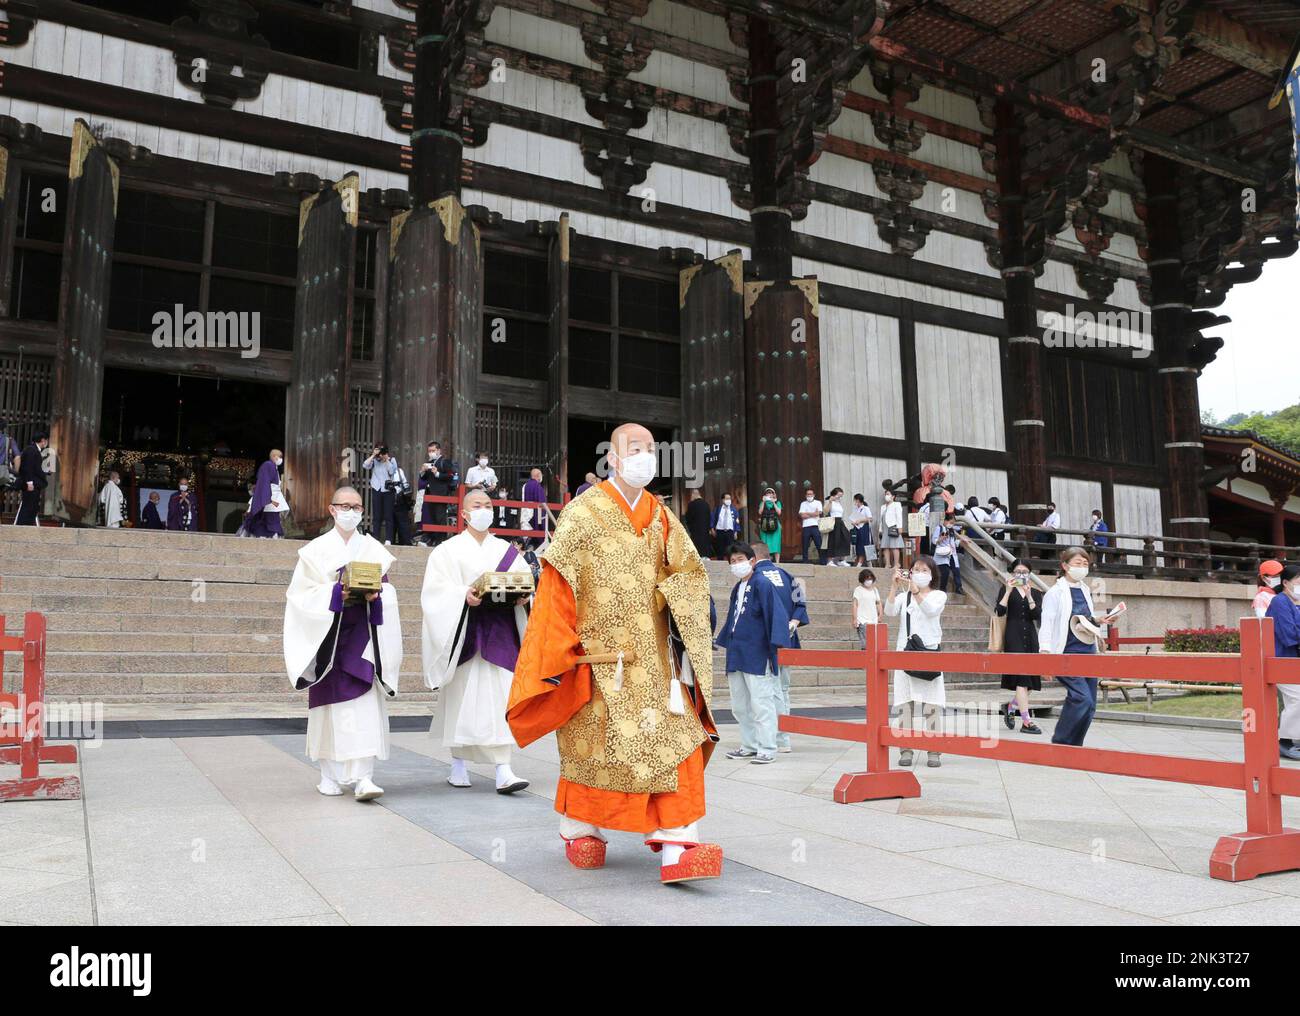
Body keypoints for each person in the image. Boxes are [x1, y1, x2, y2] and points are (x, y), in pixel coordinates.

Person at [508, 422, 722, 884]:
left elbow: (689, 573)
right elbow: (557, 588)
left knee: (677, 744)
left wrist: (679, 601)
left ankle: (679, 843)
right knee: (594, 751)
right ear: (614, 458)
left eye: (651, 448)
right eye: (635, 448)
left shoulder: (662, 516)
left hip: (656, 661)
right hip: (601, 662)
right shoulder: (581, 514)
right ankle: (580, 828)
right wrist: (558, 657)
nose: (646, 456)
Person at [283, 485, 403, 800]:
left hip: (363, 637)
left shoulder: (374, 549)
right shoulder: (315, 551)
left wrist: (377, 595)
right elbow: (300, 597)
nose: (350, 512)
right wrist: (336, 592)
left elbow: (389, 592)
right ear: (332, 509)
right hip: (328, 640)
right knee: (329, 710)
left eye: (356, 507)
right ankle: (330, 775)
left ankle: (363, 777)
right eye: (344, 506)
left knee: (364, 708)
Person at [421, 488, 530, 794]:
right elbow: (435, 592)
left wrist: (524, 597)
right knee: (462, 699)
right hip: (465, 634)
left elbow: (525, 583)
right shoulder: (446, 551)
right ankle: (458, 764)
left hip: (500, 632)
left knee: (501, 700)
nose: (483, 510)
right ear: (464, 513)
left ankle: (503, 769)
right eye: (477, 505)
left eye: (488, 505)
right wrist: (461, 595)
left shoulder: (507, 551)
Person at [715, 543, 792, 765]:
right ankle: (749, 745)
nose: (736, 564)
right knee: (740, 705)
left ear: (752, 561)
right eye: (732, 561)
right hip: (737, 651)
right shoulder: (737, 588)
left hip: (757, 652)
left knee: (762, 702)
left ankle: (767, 747)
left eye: (740, 559)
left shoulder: (763, 583)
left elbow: (774, 614)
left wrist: (775, 646)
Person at [1041, 547, 1107, 747]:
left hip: (1088, 651)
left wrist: (1098, 620)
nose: (1082, 567)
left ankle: (1075, 745)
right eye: (1078, 563)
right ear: (1065, 566)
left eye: (1085, 564)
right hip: (1066, 652)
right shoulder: (1055, 593)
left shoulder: (1086, 590)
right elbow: (1047, 623)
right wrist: (1045, 655)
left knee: (1091, 706)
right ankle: (1061, 741)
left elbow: (1084, 620)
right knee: (1081, 699)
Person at [885, 556, 947, 767]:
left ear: (931, 574)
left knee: (933, 704)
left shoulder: (939, 595)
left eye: (924, 569)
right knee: (905, 704)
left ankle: (934, 751)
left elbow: (931, 610)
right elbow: (889, 611)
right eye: (915, 569)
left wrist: (916, 592)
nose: (919, 573)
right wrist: (894, 587)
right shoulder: (905, 597)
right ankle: (906, 750)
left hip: (929, 652)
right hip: (905, 652)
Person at [750, 542, 805, 755]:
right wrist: (793, 622)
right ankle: (784, 737)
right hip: (789, 638)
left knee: (770, 691)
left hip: (766, 641)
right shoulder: (788, 576)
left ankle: (777, 737)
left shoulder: (756, 579)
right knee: (783, 689)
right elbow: (801, 605)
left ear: (753, 558)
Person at [996, 559, 1044, 735]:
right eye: (1018, 571)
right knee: (1022, 679)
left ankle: (1010, 706)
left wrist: (1030, 595)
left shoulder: (1036, 592)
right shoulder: (1005, 589)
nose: (1021, 575)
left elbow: (1037, 615)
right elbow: (999, 611)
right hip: (1013, 636)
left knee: (1031, 682)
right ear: (1012, 573)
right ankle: (1026, 721)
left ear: (1029, 574)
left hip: (1031, 637)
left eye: (1024, 572)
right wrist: (1008, 591)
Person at [1266, 565, 1300, 761]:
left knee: (1295, 700)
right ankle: (1284, 742)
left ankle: (1291, 740)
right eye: (1298, 580)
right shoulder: (1279, 602)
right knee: (1297, 700)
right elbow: (1288, 635)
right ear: (1286, 583)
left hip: (1292, 660)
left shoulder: (1295, 602)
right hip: (1280, 659)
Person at [363, 445, 400, 545]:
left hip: (388, 490)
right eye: (379, 452)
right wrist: (373, 455)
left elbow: (392, 471)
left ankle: (388, 538)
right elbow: (365, 465)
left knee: (388, 515)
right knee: (376, 515)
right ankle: (376, 537)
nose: (380, 454)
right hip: (376, 488)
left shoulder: (392, 460)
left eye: (381, 452)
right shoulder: (374, 460)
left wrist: (386, 459)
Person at [245, 450, 286, 539]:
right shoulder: (268, 465)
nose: (281, 459)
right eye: (280, 456)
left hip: (273, 496)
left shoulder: (274, 467)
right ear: (274, 456)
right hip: (269, 496)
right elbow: (265, 482)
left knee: (271, 519)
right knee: (268, 519)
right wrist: (266, 498)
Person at [13, 431, 48, 526]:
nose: (46, 443)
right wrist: (29, 483)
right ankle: (22, 528)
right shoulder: (31, 450)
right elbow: (28, 468)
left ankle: (25, 527)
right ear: (43, 440)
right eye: (46, 440)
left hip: (33, 484)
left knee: (32, 507)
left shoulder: (33, 450)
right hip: (31, 484)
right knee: (28, 507)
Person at [520, 467, 549, 548]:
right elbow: (541, 502)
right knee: (535, 531)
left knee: (526, 530)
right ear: (538, 475)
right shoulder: (537, 486)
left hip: (525, 512)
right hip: (534, 514)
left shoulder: (525, 485)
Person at [852, 568, 881, 650]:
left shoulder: (875, 590)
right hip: (862, 620)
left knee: (874, 643)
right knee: (866, 644)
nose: (869, 580)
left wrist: (880, 615)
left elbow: (878, 603)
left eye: (870, 578)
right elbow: (855, 604)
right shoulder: (858, 590)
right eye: (867, 578)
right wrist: (855, 619)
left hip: (873, 620)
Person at [934, 515, 963, 594]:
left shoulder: (951, 530)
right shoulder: (939, 528)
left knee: (956, 571)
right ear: (946, 521)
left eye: (953, 523)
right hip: (943, 554)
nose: (951, 525)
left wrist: (961, 542)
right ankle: (942, 589)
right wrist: (942, 537)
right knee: (945, 572)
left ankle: (959, 588)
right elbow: (934, 541)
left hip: (952, 553)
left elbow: (953, 542)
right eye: (951, 523)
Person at [824, 487, 852, 566]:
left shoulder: (838, 503)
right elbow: (825, 511)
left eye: (841, 496)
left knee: (845, 538)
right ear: (834, 494)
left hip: (840, 521)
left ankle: (841, 559)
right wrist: (830, 501)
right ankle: (830, 561)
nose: (839, 497)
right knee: (832, 540)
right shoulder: (829, 501)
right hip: (833, 521)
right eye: (838, 495)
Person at [683, 488, 712, 559]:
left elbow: (688, 518)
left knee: (696, 547)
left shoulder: (692, 504)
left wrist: (690, 527)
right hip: (705, 531)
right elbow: (709, 517)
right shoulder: (706, 504)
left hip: (695, 531)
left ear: (693, 495)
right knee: (705, 546)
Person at [879, 487, 904, 571]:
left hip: (893, 526)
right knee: (885, 546)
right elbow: (881, 519)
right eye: (886, 494)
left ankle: (897, 564)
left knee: (895, 546)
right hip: (885, 528)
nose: (886, 496)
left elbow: (899, 517)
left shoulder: (896, 504)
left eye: (888, 494)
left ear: (893, 496)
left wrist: (900, 527)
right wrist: (880, 529)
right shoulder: (883, 507)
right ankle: (888, 564)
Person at [711, 491, 741, 560]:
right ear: (723, 500)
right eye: (727, 498)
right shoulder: (718, 509)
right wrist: (712, 529)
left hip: (730, 531)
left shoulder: (734, 510)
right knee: (720, 548)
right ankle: (720, 561)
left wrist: (736, 531)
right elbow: (712, 518)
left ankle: (730, 560)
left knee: (730, 548)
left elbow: (737, 521)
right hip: (720, 531)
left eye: (729, 498)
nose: (728, 500)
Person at [756, 487, 782, 561]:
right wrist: (763, 502)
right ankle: (768, 560)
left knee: (776, 543)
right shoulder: (762, 503)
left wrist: (773, 502)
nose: (769, 494)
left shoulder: (777, 502)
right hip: (764, 524)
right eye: (768, 493)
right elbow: (760, 512)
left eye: (771, 493)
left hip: (775, 524)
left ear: (774, 494)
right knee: (765, 543)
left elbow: (779, 512)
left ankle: (777, 562)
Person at [798, 487, 823, 564]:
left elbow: (819, 513)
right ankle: (805, 562)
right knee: (805, 545)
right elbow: (802, 516)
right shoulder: (803, 503)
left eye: (811, 494)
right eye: (808, 494)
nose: (809, 495)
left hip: (815, 526)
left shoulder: (818, 503)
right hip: (806, 527)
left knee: (819, 544)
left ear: (814, 495)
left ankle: (823, 561)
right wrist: (813, 514)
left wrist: (807, 513)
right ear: (806, 495)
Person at [849, 493, 874, 566]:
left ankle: (860, 563)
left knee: (865, 545)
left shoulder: (866, 508)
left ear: (858, 500)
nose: (855, 502)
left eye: (855, 500)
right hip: (857, 529)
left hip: (864, 529)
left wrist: (860, 520)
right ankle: (866, 563)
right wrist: (854, 522)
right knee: (858, 545)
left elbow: (870, 519)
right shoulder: (855, 509)